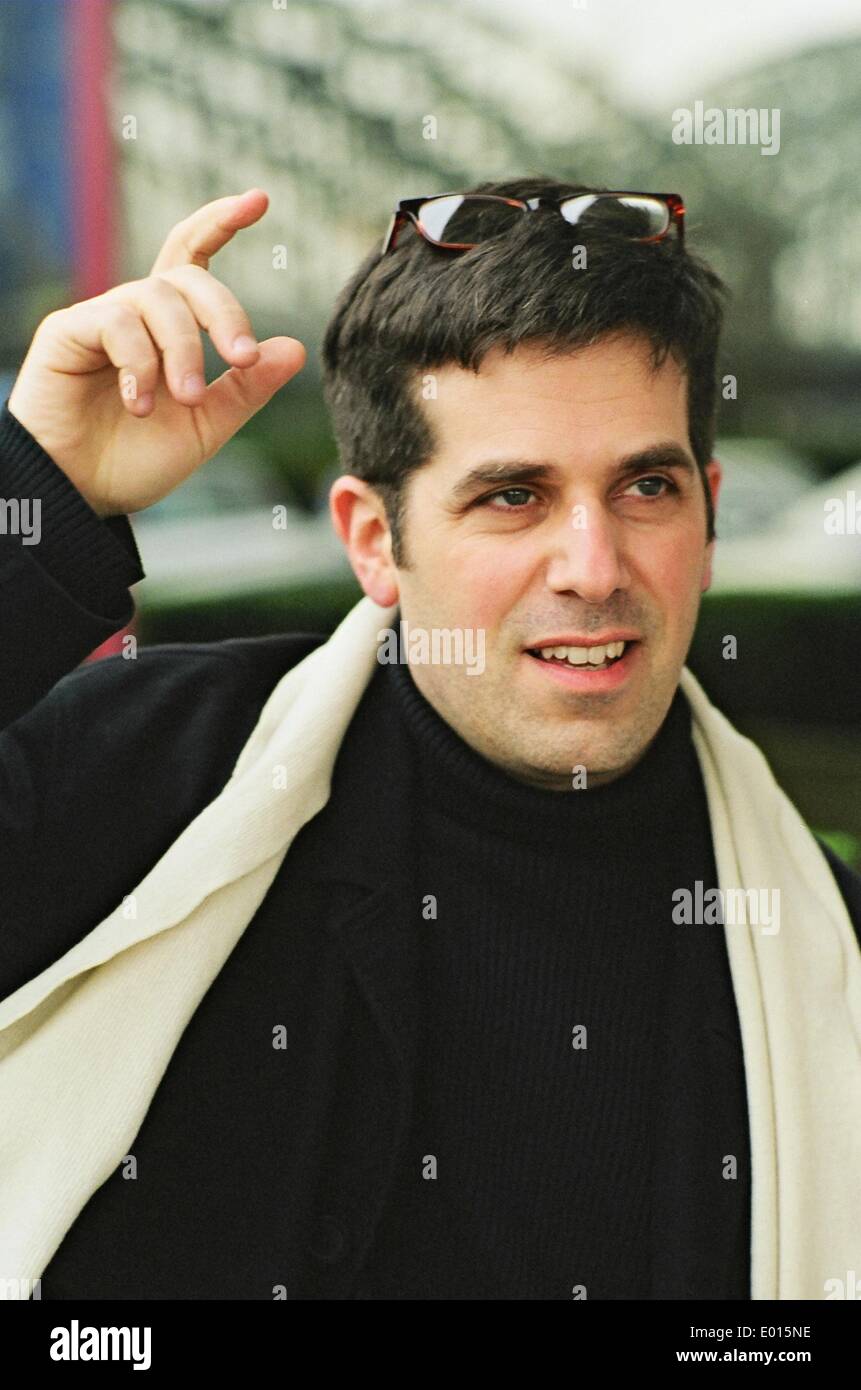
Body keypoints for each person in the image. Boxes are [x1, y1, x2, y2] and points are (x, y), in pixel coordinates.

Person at [0, 178, 859, 1302]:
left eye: (646, 485)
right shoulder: (149, 780)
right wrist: (34, 505)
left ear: (707, 515)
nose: (594, 567)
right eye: (513, 495)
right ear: (372, 539)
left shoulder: (828, 949)